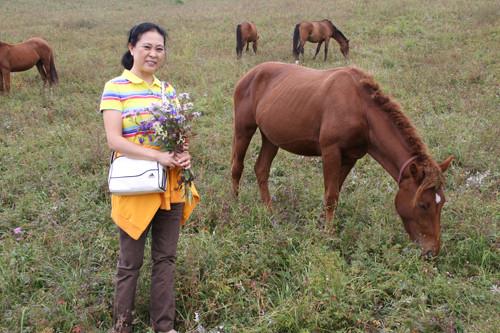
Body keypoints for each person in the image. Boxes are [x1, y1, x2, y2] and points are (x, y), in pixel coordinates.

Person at [100, 22, 200, 333]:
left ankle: (164, 326)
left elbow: (178, 136)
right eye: (147, 47)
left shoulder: (167, 90)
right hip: (135, 186)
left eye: (159, 48)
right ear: (132, 48)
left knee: (165, 259)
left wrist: (183, 153)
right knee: (130, 264)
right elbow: (114, 141)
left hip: (169, 185)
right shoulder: (115, 87)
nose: (153, 54)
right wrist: (157, 156)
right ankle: (121, 326)